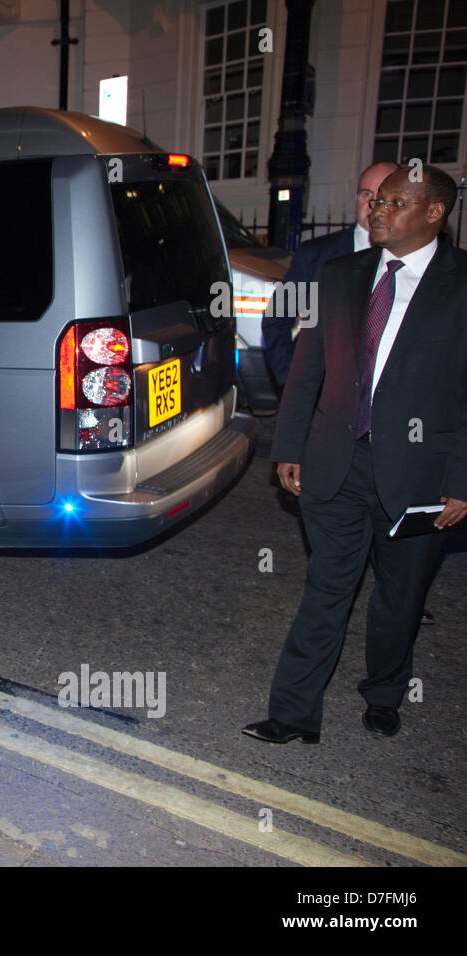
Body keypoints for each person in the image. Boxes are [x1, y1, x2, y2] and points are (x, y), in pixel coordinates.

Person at [244, 164, 467, 744]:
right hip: (336, 461)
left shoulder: (462, 283)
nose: (377, 211)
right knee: (327, 586)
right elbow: (308, 369)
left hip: (420, 474)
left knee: (400, 599)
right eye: (376, 201)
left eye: (395, 202)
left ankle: (386, 691)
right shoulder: (340, 275)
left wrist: (462, 480)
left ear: (434, 213)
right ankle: (293, 714)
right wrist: (290, 447)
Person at [262, 161, 399, 387]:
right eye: (367, 194)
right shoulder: (316, 255)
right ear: (356, 199)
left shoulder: (412, 260)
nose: (374, 204)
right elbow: (277, 317)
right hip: (327, 401)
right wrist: (293, 385)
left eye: (383, 195)